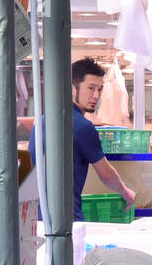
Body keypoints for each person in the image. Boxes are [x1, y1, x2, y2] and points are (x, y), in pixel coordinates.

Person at [28, 57, 136, 220]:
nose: (96, 95)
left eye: (100, 89)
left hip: (35, 216)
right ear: (72, 88)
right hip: (65, 218)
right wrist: (126, 192)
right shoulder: (82, 127)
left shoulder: (43, 120)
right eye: (91, 88)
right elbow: (105, 173)